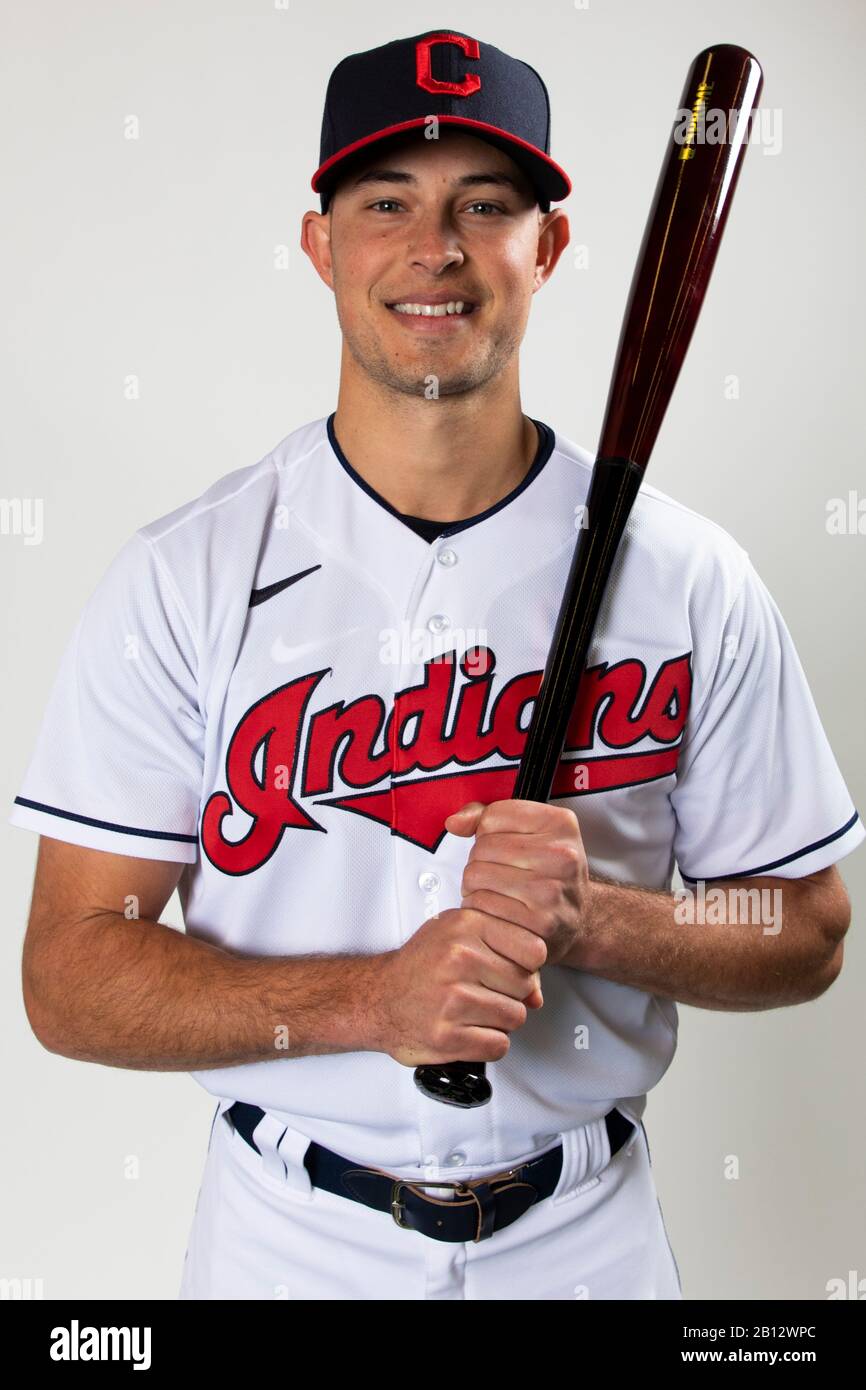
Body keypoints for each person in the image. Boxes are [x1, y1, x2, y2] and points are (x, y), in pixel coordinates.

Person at [11, 29, 863, 1301]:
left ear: (546, 246)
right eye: (385, 203)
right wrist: (366, 1001)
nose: (435, 248)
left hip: (584, 1238)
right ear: (320, 245)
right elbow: (72, 971)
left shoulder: (686, 576)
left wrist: (594, 919)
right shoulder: (185, 576)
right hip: (286, 1243)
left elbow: (799, 928)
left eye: (483, 204)